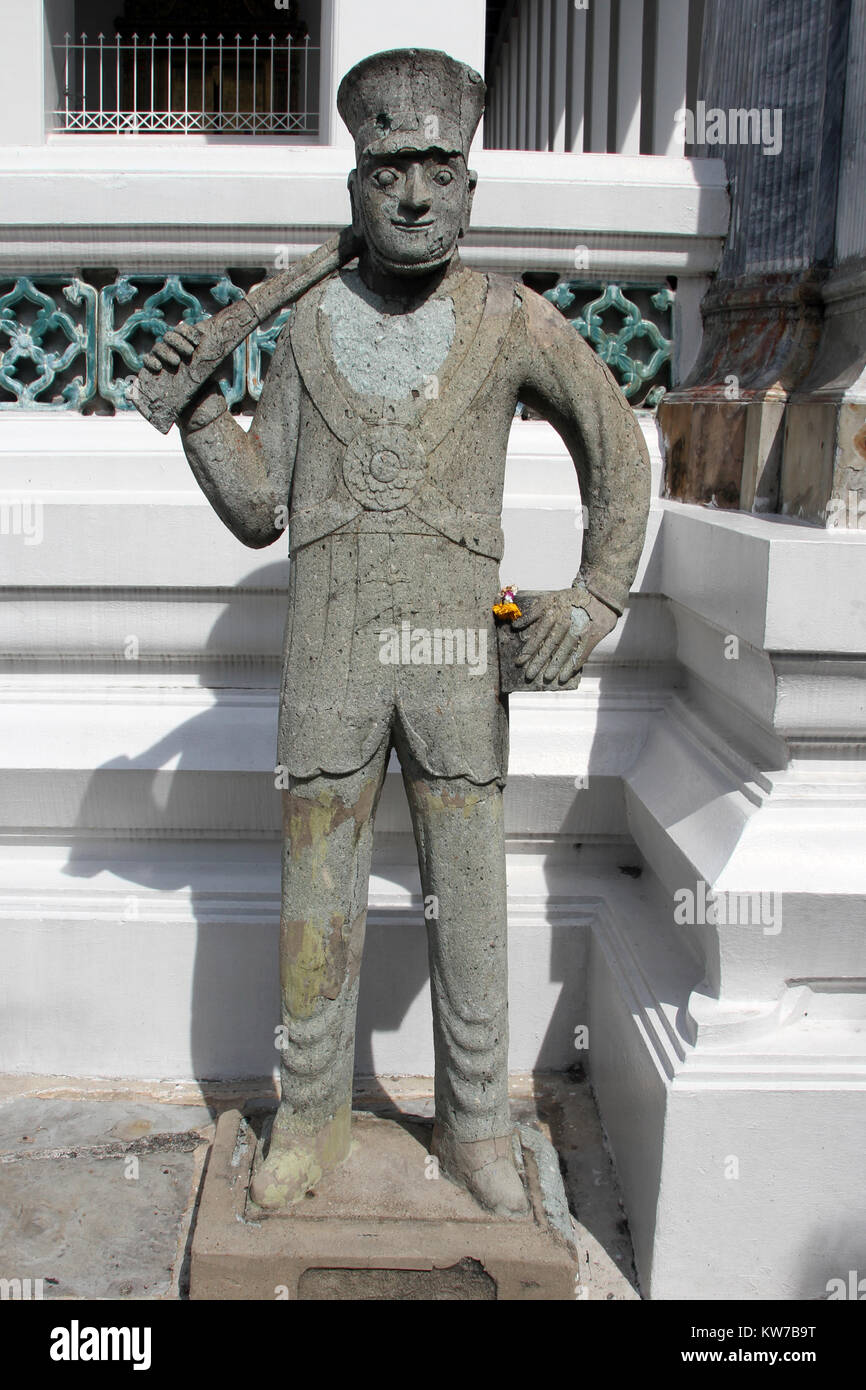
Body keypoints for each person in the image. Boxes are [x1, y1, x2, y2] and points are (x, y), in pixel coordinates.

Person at [139, 47, 650, 1217]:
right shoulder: (310, 325)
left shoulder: (510, 320)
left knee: (467, 898)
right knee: (313, 890)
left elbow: (615, 450)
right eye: (387, 173)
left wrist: (593, 598)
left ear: (468, 188)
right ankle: (309, 1119)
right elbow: (260, 508)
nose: (413, 197)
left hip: (457, 661)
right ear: (354, 188)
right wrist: (202, 409)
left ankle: (475, 1126)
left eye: (436, 171)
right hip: (328, 654)